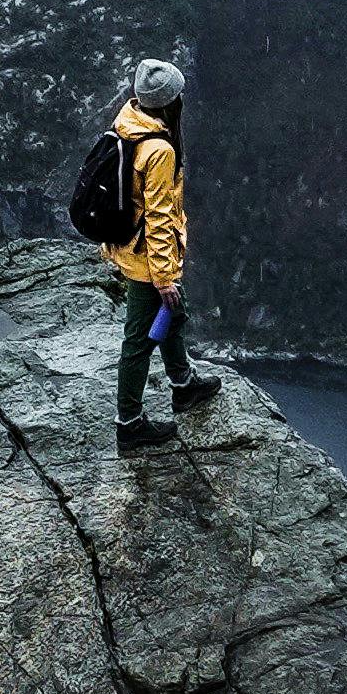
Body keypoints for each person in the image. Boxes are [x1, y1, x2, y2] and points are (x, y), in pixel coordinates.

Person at [102, 57, 218, 451]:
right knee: (138, 338)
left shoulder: (128, 121)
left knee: (171, 315)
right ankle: (130, 422)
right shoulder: (159, 149)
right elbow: (159, 218)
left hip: (127, 246)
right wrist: (165, 278)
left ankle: (183, 382)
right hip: (146, 259)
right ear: (169, 102)